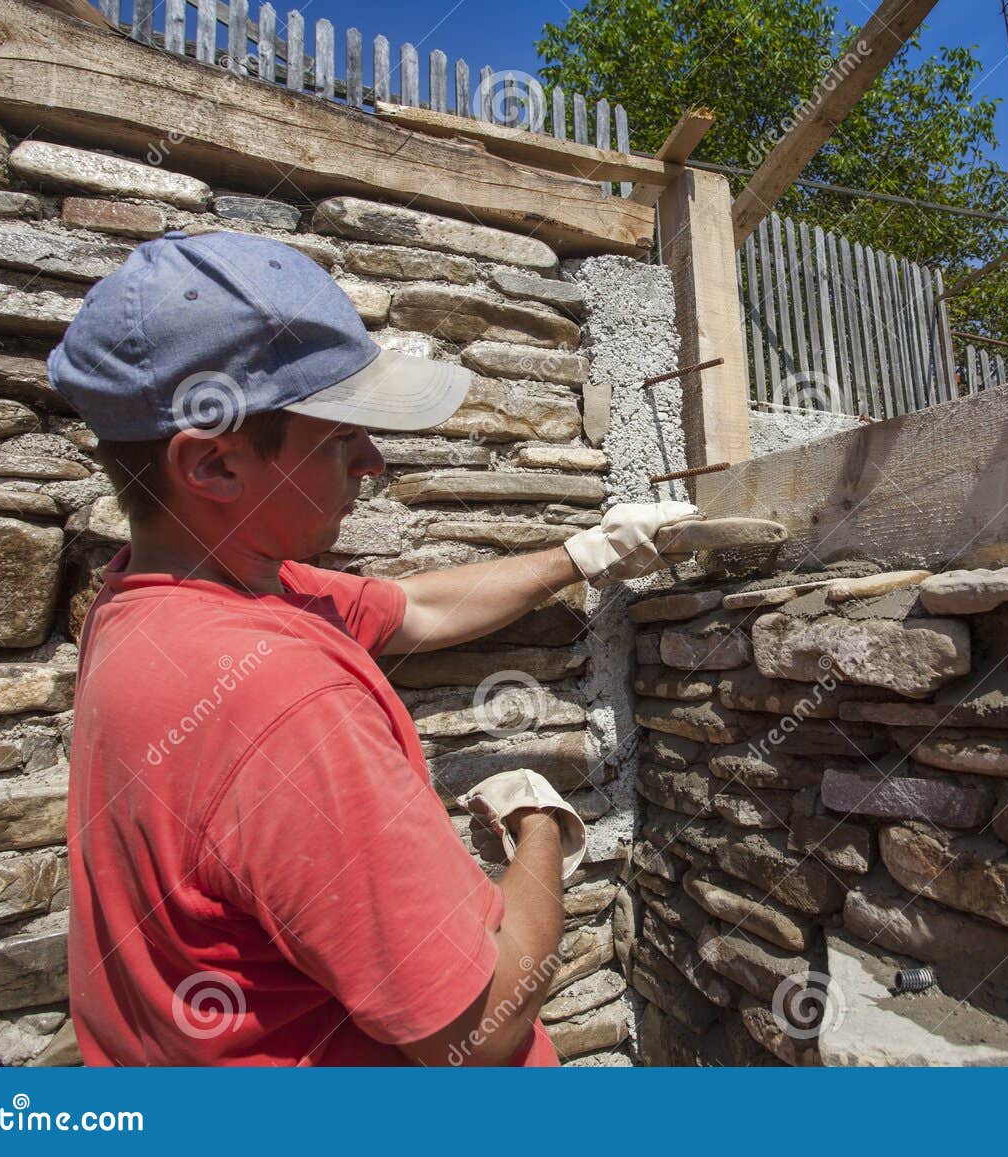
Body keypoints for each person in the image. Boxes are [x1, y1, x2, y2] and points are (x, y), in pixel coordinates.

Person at [47, 229, 700, 1065]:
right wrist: (540, 827)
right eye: (340, 440)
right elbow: (482, 1029)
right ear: (213, 464)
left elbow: (412, 610)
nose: (374, 461)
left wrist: (583, 555)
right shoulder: (275, 700)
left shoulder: (167, 597)